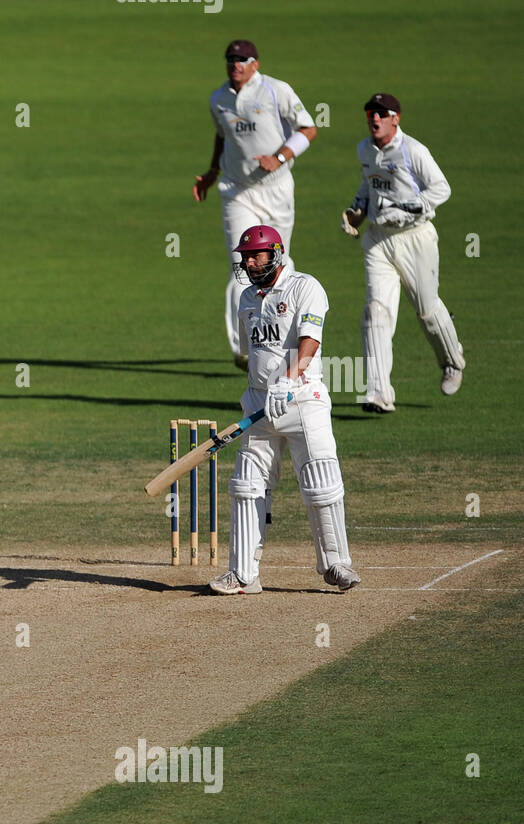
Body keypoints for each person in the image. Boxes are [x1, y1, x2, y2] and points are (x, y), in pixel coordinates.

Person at [210, 225, 361, 596]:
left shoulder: (305, 287)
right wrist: (262, 390)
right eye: (244, 256)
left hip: (302, 399)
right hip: (259, 405)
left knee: (321, 484)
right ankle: (243, 574)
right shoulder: (246, 297)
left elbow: (309, 343)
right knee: (247, 488)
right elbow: (253, 352)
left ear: (276, 253)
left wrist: (288, 380)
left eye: (254, 255)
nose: (247, 262)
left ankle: (336, 564)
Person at [193, 41, 316, 368]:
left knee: (277, 265)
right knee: (242, 267)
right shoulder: (218, 99)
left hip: (275, 190)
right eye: (231, 59)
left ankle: (286, 335)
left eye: (242, 59)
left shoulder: (277, 91)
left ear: (255, 64)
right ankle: (244, 349)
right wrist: (211, 172)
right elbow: (222, 137)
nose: (236, 64)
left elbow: (308, 128)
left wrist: (280, 158)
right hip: (237, 191)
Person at [342, 92, 465, 412]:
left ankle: (452, 361)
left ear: (396, 118)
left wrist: (413, 207)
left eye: (382, 114)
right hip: (379, 241)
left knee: (427, 311)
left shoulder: (413, 150)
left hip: (416, 238)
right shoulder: (364, 149)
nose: (375, 118)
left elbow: (442, 188)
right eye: (371, 113)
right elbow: (367, 186)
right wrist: (356, 212)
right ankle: (379, 392)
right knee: (375, 311)